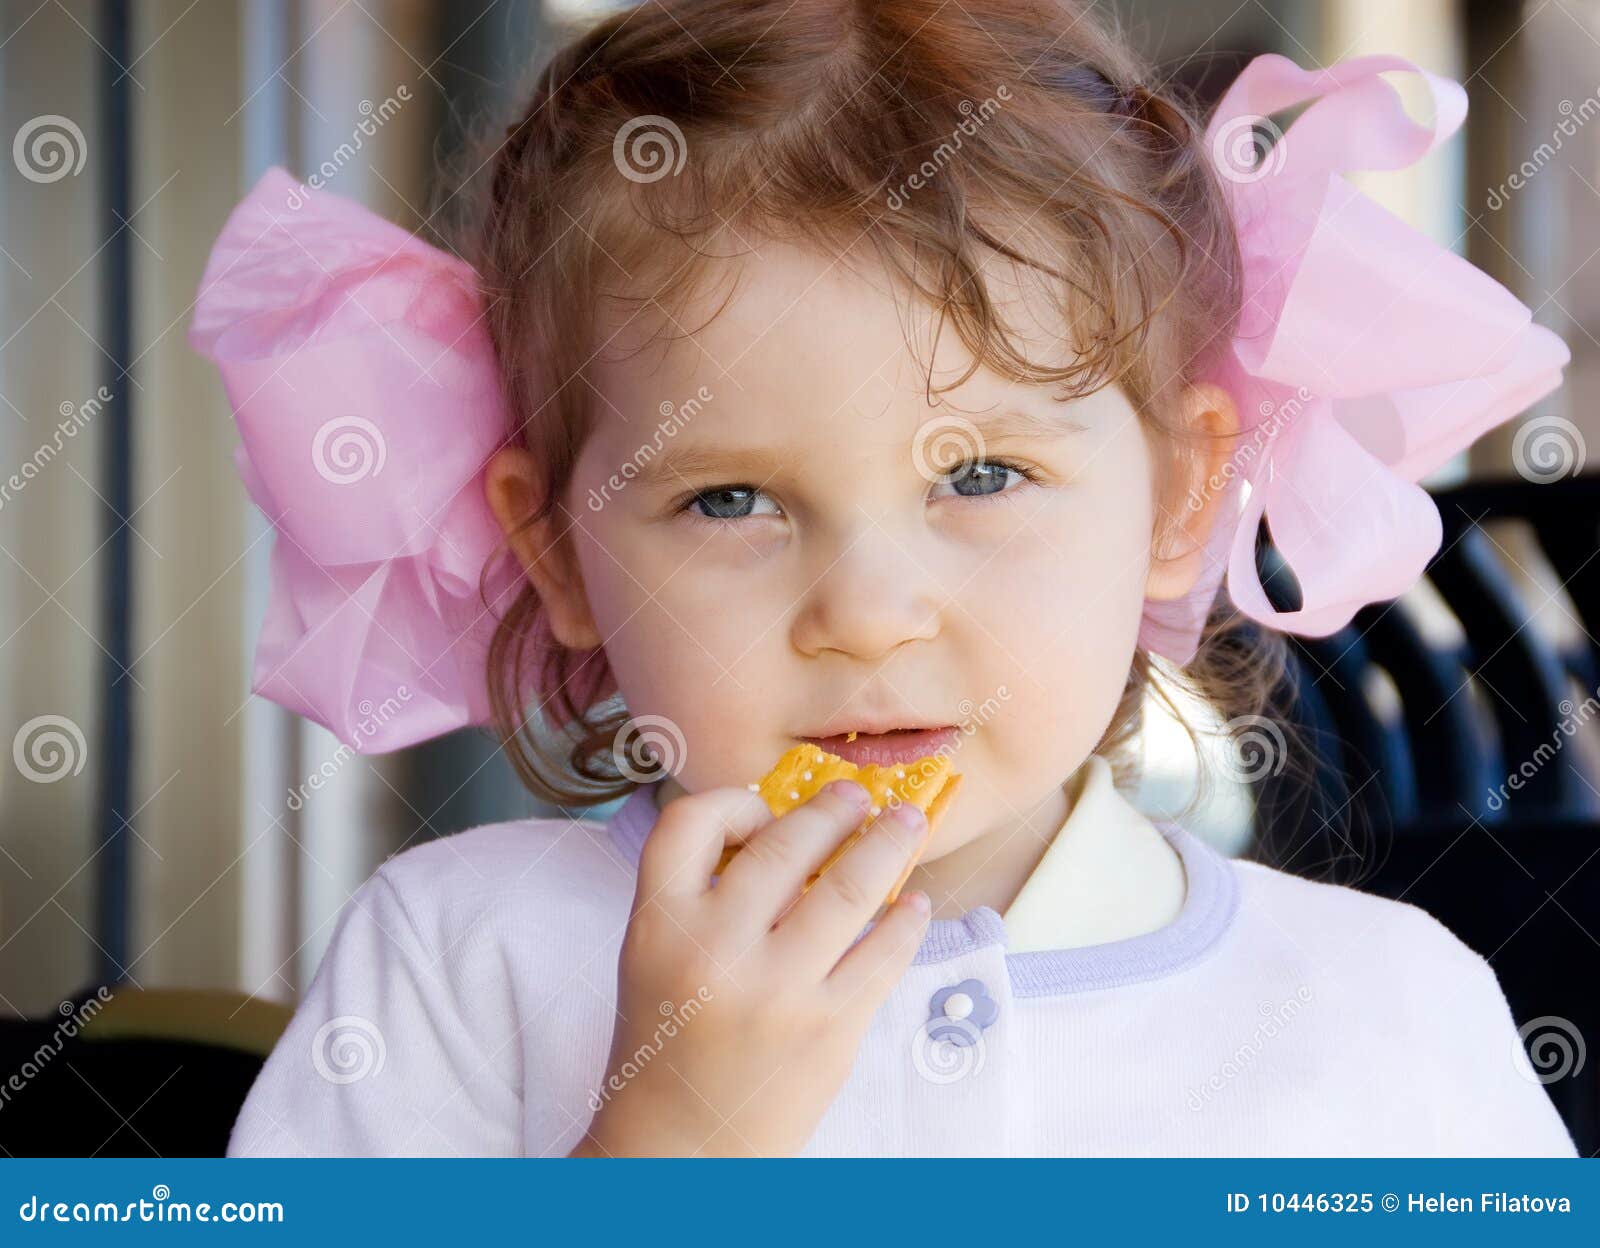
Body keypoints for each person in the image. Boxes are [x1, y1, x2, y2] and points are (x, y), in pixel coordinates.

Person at [188, 0, 1577, 1157]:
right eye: (728, 497)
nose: (863, 614)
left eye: (980, 478)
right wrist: (667, 1146)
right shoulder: (455, 967)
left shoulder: (1386, 1012)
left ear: (1180, 497)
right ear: (557, 553)